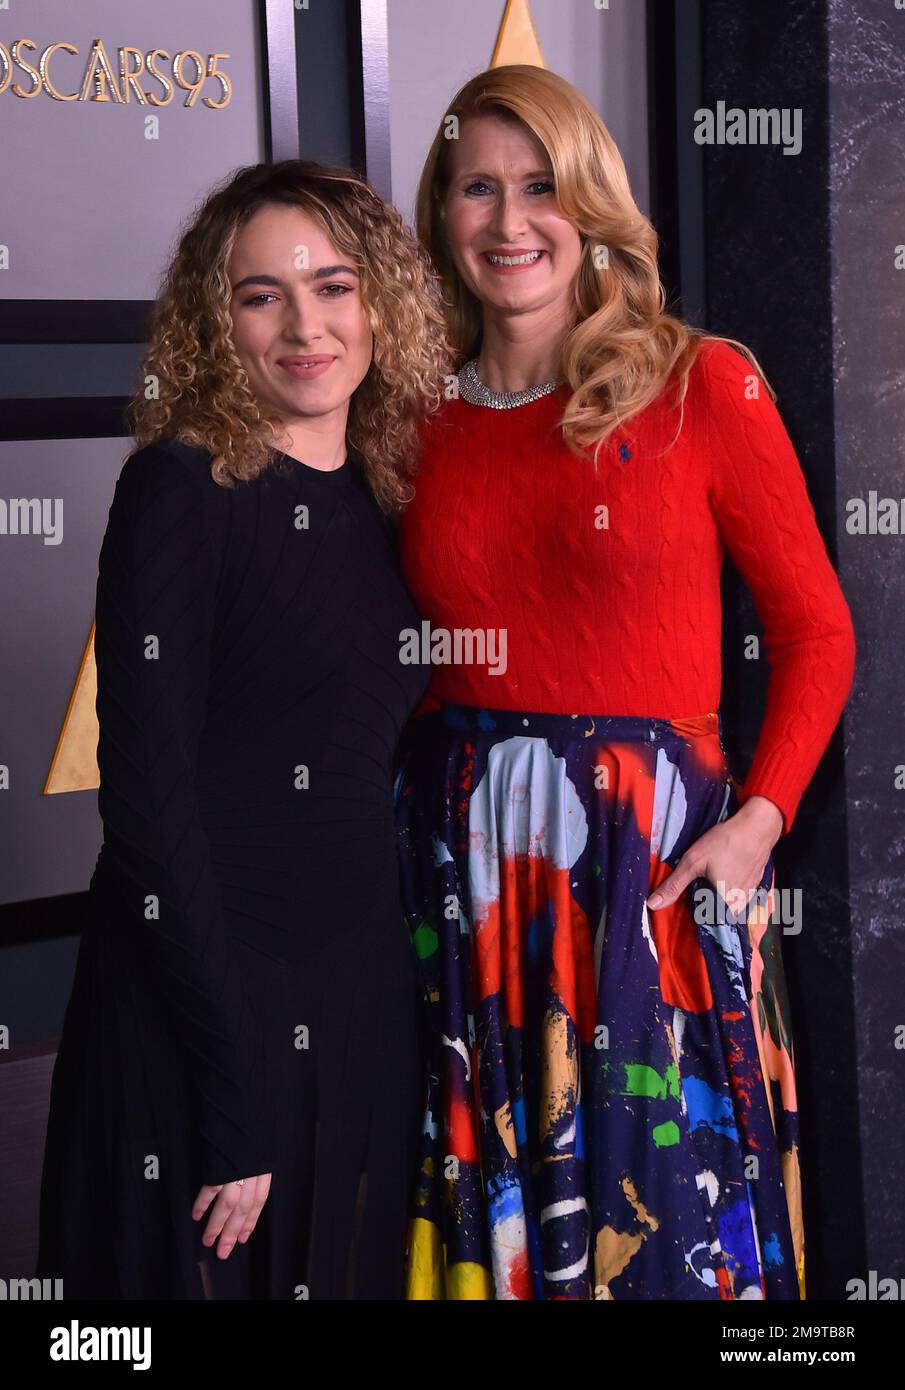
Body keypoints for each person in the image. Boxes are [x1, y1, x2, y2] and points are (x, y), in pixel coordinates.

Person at [393, 66, 856, 1300]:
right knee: (496, 1219)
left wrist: (757, 825)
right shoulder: (409, 415)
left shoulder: (705, 381)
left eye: (539, 185)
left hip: (656, 877)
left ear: (588, 200)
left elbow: (815, 631)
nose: (507, 222)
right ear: (441, 215)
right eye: (475, 188)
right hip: (470, 880)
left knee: (670, 1226)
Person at [37, 159, 449, 1299]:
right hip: (198, 1006)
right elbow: (151, 815)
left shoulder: (393, 496)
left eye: (333, 284)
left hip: (358, 997)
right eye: (262, 293)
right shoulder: (180, 491)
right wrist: (234, 1094)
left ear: (381, 303)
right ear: (217, 320)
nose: (305, 324)